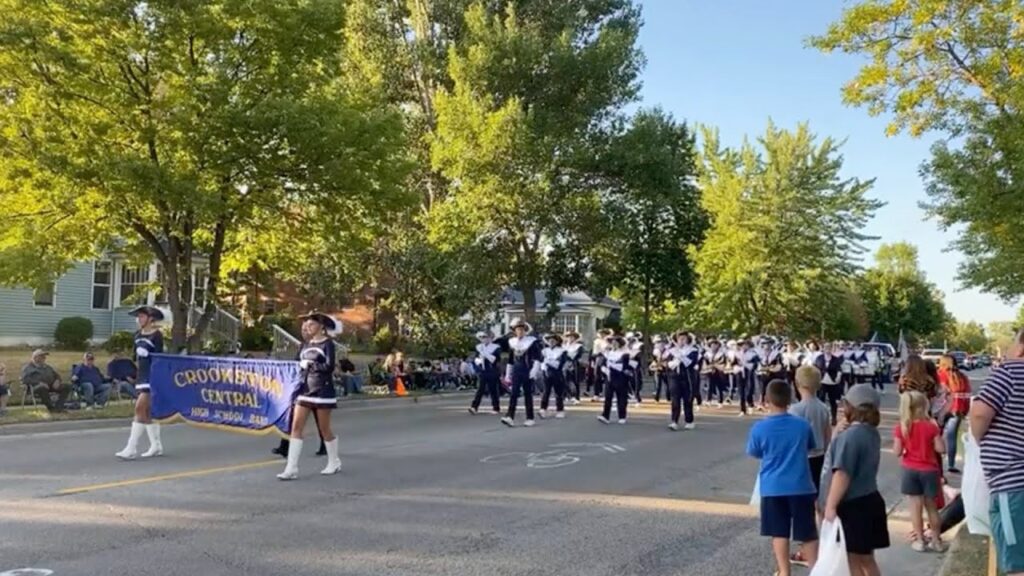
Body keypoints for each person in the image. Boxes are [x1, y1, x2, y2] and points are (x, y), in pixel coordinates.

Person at [747, 379, 820, 576]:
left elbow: (754, 452)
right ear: (790, 399)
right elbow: (811, 447)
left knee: (779, 531)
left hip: (773, 486)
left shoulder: (760, 428)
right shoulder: (802, 425)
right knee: (808, 532)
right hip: (801, 484)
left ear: (767, 399)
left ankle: (784, 571)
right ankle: (817, 570)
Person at [970, 329, 1024, 576]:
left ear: (1020, 348)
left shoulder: (1010, 371)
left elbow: (980, 412)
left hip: (1012, 481)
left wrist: (979, 438)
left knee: (1017, 563)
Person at [821, 385, 890, 576]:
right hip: (870, 499)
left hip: (854, 504)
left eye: (846, 404)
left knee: (854, 559)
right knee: (867, 559)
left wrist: (831, 505)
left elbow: (842, 474)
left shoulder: (851, 436)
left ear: (852, 407)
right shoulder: (870, 432)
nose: (843, 408)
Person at [277, 312, 343, 480]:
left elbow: (329, 366)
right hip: (304, 390)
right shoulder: (305, 344)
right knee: (296, 427)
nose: (308, 327)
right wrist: (299, 365)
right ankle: (291, 468)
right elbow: (296, 363)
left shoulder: (328, 344)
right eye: (307, 325)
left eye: (311, 324)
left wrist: (312, 365)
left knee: (324, 429)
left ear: (321, 327)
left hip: (322, 390)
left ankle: (334, 461)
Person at [893, 390, 947, 553]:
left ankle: (919, 540)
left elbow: (896, 451)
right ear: (924, 406)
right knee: (932, 508)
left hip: (910, 469)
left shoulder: (902, 428)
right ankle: (936, 540)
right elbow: (941, 449)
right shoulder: (931, 427)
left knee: (915, 507)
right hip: (929, 471)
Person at [115, 306, 165, 460]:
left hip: (153, 377)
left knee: (139, 409)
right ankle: (156, 445)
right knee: (147, 413)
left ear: (151, 319)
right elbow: (135, 359)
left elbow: (159, 358)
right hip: (141, 377)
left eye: (142, 316)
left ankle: (131, 448)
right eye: (138, 317)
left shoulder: (157, 335)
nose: (139, 319)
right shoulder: (137, 335)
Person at [501, 318, 543, 428]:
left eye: (522, 329)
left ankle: (530, 418)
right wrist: (507, 374)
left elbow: (538, 358)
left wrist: (534, 370)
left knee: (528, 394)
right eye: (517, 329)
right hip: (516, 371)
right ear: (515, 331)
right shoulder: (512, 342)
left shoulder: (531, 342)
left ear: (525, 330)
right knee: (514, 394)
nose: (520, 331)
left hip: (527, 370)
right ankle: (510, 416)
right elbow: (510, 360)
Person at [936, 354, 971, 473]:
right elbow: (967, 395)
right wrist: (965, 410)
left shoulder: (941, 374)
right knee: (952, 437)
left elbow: (939, 392)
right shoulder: (962, 377)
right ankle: (951, 464)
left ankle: (936, 463)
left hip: (943, 409)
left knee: (936, 436)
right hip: (958, 410)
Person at [665, 331, 699, 431]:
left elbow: (689, 363)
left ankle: (689, 421)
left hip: (687, 377)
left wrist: (680, 356)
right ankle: (674, 421)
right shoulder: (672, 351)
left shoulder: (693, 351)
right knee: (675, 400)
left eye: (684, 338)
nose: (681, 341)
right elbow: (668, 363)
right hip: (674, 377)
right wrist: (674, 361)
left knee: (687, 399)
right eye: (680, 339)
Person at [597, 333, 631, 425]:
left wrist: (614, 366)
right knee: (608, 396)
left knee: (621, 397)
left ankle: (622, 416)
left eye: (616, 343)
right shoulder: (608, 353)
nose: (614, 344)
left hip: (620, 377)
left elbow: (625, 366)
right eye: (612, 343)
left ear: (620, 344)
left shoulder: (625, 354)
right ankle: (605, 416)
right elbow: (602, 364)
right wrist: (605, 370)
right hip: (609, 376)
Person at [469, 330, 502, 415]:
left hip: (492, 371)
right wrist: (478, 361)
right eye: (482, 337)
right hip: (482, 371)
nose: (483, 339)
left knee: (493, 390)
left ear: (490, 338)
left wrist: (485, 354)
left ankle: (496, 407)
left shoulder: (496, 347)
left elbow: (495, 359)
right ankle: (474, 407)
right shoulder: (479, 347)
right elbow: (476, 358)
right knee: (480, 389)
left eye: (485, 337)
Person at [539, 333, 568, 419]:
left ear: (557, 341)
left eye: (553, 340)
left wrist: (547, 361)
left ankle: (560, 410)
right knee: (546, 392)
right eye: (549, 340)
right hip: (546, 373)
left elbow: (559, 364)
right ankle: (543, 409)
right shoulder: (544, 351)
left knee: (558, 392)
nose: (551, 341)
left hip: (557, 374)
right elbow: (541, 362)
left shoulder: (562, 351)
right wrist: (544, 368)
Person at [563, 331, 584, 405]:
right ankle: (566, 396)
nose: (570, 338)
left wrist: (573, 360)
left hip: (575, 364)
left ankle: (576, 397)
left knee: (575, 380)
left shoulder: (578, 346)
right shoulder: (564, 346)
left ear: (575, 338)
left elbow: (580, 356)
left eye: (572, 337)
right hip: (565, 364)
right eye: (568, 337)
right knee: (565, 380)